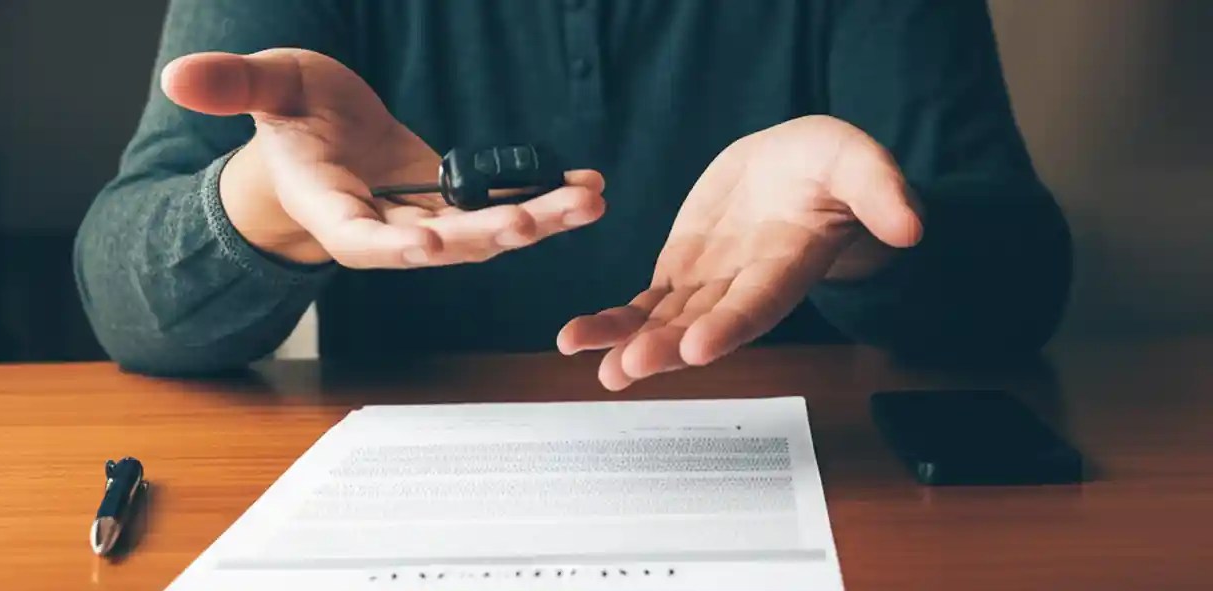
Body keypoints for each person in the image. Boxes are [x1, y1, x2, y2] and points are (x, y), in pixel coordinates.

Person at [75, 0, 1071, 390]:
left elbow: (1018, 291)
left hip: (826, 508)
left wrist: (854, 232)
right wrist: (273, 197)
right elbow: (131, 306)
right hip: (407, 542)